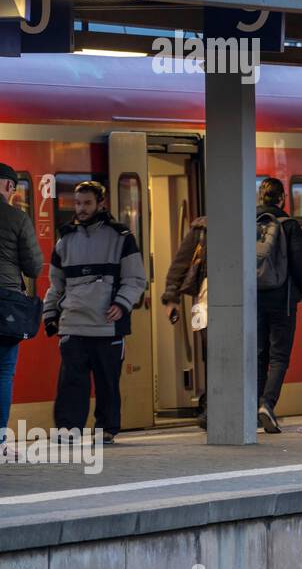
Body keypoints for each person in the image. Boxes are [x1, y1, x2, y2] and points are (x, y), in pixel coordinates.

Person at [43, 181, 147, 443]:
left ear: (101, 203)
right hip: (73, 323)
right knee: (71, 383)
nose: (81, 209)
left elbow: (135, 279)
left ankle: (106, 430)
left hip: (107, 324)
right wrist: (50, 314)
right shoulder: (65, 239)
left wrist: (122, 304)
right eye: (77, 203)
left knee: (107, 383)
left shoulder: (121, 237)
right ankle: (68, 429)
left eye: (87, 203)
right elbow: (56, 284)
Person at [254, 178, 302, 434]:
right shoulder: (289, 225)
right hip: (283, 299)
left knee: (258, 354)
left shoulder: (250, 223)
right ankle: (267, 403)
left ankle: (253, 407)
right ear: (282, 199)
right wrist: (296, 291)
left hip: (253, 299)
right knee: (279, 356)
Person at [0, 163, 42, 447]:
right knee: (3, 371)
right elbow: (34, 266)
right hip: (5, 304)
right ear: (8, 187)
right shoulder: (17, 218)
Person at [161, 215, 209, 428]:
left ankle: (214, 406)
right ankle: (213, 406)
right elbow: (180, 264)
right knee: (210, 353)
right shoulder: (201, 228)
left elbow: (178, 265)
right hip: (204, 299)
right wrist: (171, 299)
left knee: (214, 353)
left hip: (206, 299)